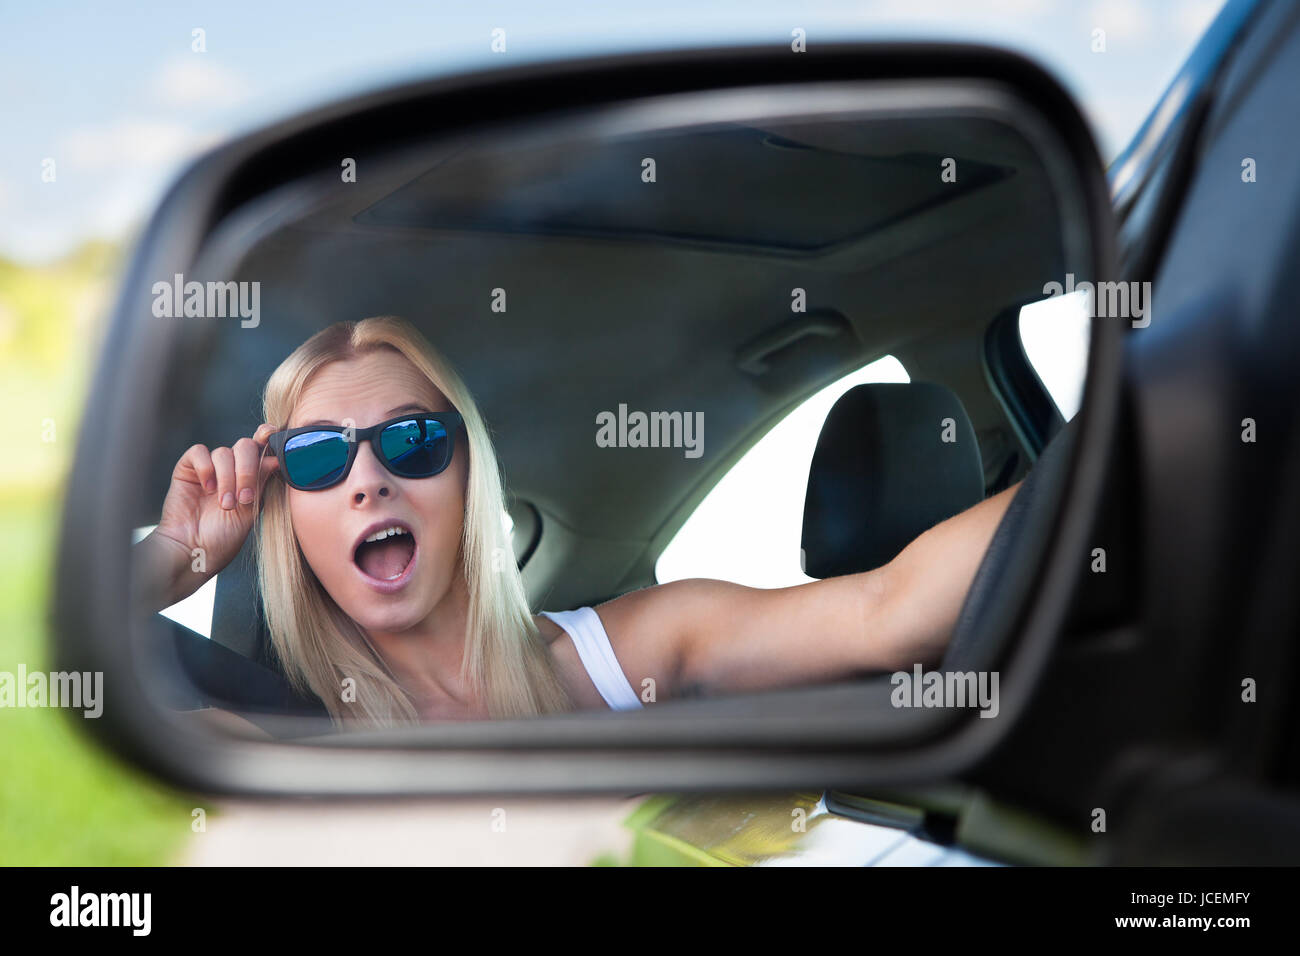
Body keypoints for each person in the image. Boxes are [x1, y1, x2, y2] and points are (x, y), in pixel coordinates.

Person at [134, 316, 1019, 729]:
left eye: (411, 441)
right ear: (291, 522)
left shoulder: (629, 651)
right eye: (323, 458)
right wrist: (172, 557)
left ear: (468, 474)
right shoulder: (269, 741)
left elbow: (890, 611)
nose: (369, 479)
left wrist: (1137, 434)